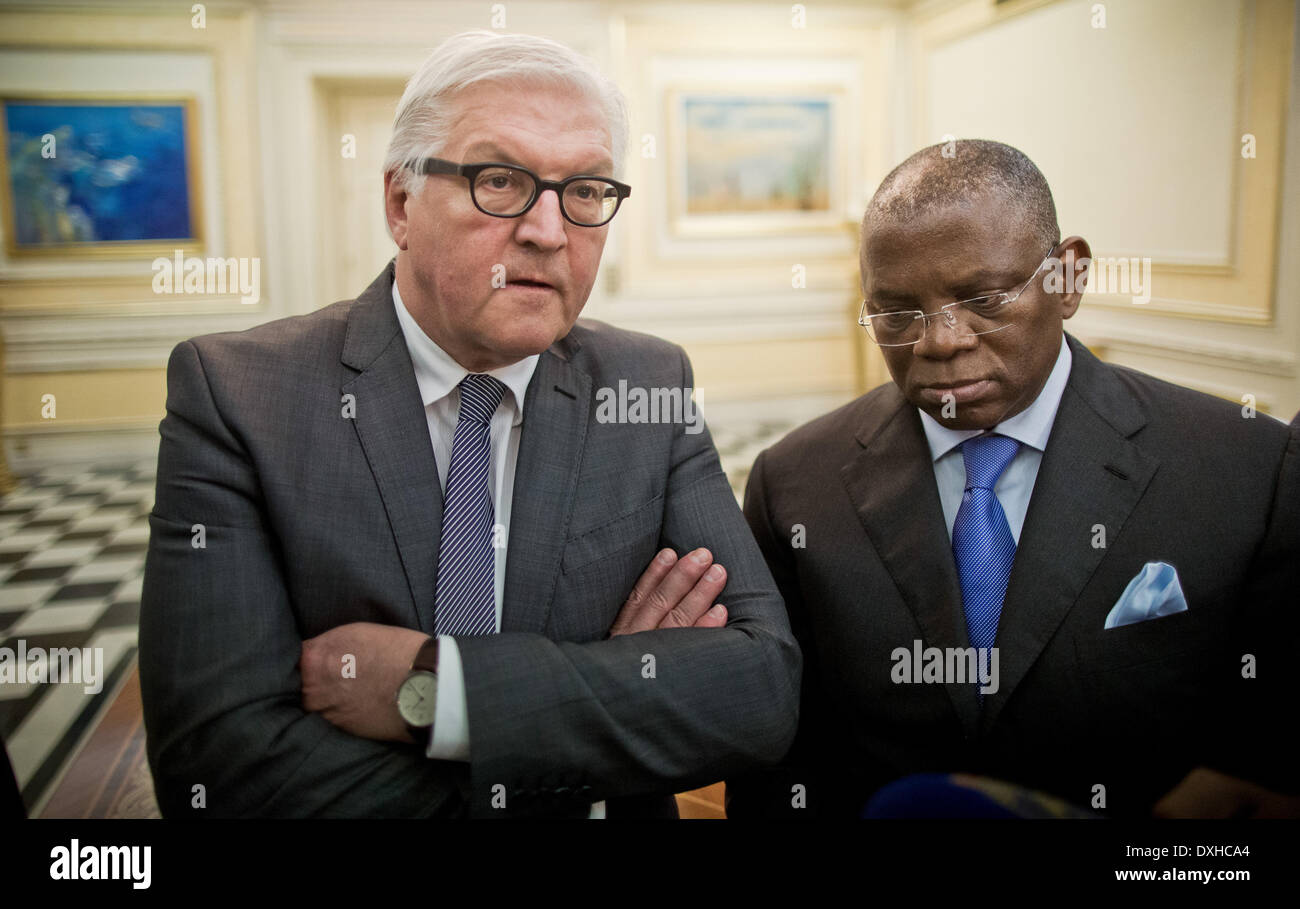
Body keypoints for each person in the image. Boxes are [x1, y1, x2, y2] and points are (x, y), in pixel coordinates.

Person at [139, 30, 799, 819]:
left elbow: (758, 691)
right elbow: (220, 774)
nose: (548, 231)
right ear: (399, 204)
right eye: (498, 179)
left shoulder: (646, 384)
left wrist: (441, 693)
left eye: (585, 190)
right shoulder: (240, 395)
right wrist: (591, 709)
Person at [726, 139, 1298, 819]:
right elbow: (777, 757)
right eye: (896, 312)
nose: (941, 340)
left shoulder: (1250, 469)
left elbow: (1269, 758)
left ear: (1069, 278)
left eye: (985, 298)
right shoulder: (793, 484)